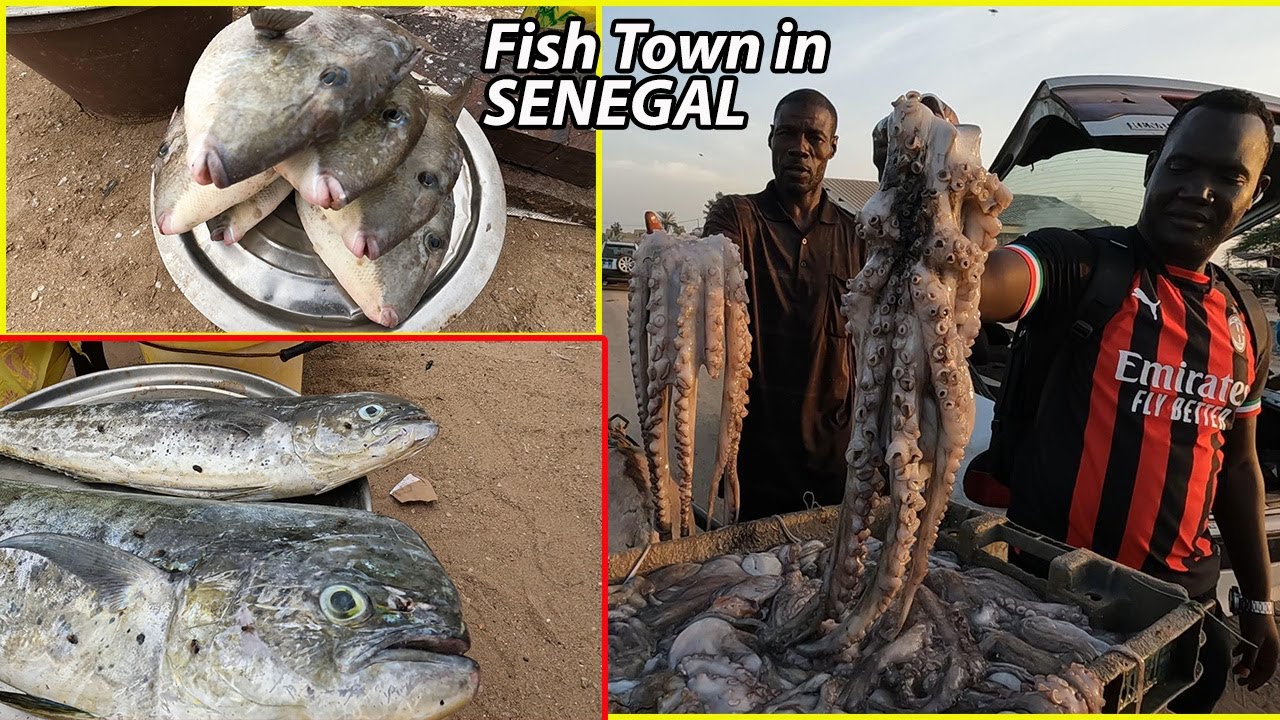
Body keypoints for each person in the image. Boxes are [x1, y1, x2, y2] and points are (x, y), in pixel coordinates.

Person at [978, 88, 1278, 710]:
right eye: (1182, 165)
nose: (1199, 190)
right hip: (1050, 601)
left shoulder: (1246, 319)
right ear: (1152, 168)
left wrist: (1257, 601)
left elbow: (1239, 466)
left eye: (1229, 176)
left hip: (1179, 612)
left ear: (1255, 192)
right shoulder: (1084, 265)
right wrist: (947, 238)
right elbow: (989, 281)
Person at [702, 89, 862, 521]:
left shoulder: (857, 237)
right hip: (756, 460)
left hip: (835, 460)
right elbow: (712, 266)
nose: (799, 147)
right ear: (771, 138)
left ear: (832, 147)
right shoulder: (738, 217)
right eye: (788, 133)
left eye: (814, 137)